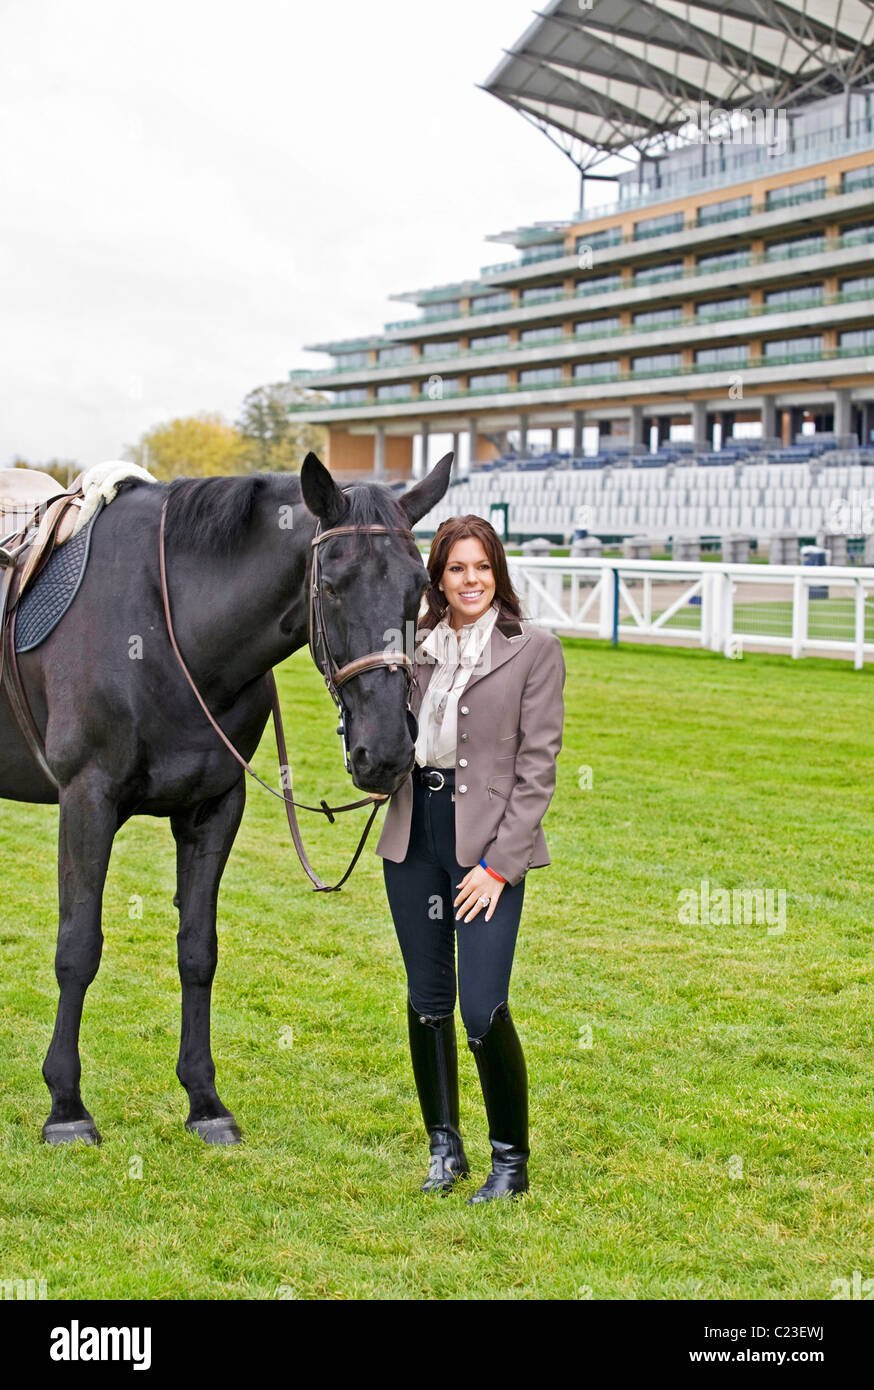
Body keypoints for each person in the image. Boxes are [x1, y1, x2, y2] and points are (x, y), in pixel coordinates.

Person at [374, 514, 566, 1203]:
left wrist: (498, 867)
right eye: (456, 568)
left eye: (481, 566)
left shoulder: (534, 649)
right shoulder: (412, 647)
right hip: (412, 836)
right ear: (439, 578)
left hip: (485, 846)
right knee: (428, 1001)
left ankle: (510, 1163)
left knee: (482, 1006)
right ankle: (444, 1149)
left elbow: (537, 770)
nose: (471, 580)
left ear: (498, 572)